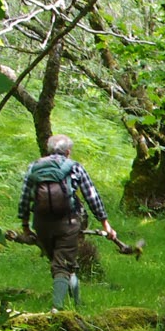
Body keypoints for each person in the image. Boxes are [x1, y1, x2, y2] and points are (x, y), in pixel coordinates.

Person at [18, 134, 118, 312]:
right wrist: (105, 224)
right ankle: (57, 309)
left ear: (48, 150)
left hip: (41, 223)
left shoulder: (34, 166)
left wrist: (25, 226)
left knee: (64, 264)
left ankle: (77, 304)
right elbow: (91, 196)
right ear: (68, 152)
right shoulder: (74, 167)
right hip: (68, 222)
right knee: (63, 265)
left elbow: (25, 198)